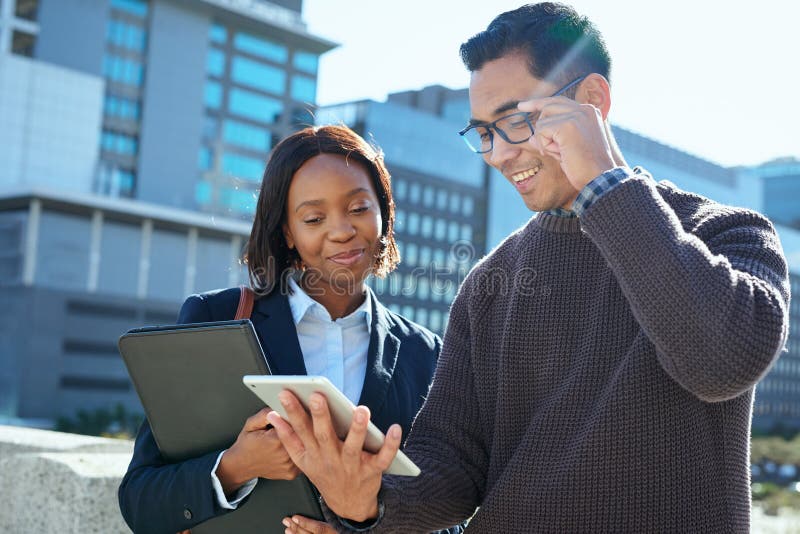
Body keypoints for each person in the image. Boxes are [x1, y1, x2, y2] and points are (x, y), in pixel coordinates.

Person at [267, 3, 791, 532]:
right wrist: (368, 502)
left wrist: (605, 188)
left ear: (592, 101)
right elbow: (452, 461)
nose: (496, 153)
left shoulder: (729, 234)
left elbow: (719, 363)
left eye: (516, 121)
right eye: (484, 132)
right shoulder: (491, 283)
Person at [118, 125, 461, 534]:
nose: (342, 230)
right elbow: (140, 499)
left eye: (358, 208)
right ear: (288, 232)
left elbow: (447, 518)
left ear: (383, 212)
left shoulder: (427, 356)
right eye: (314, 218)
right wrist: (235, 467)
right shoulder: (216, 318)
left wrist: (366, 524)